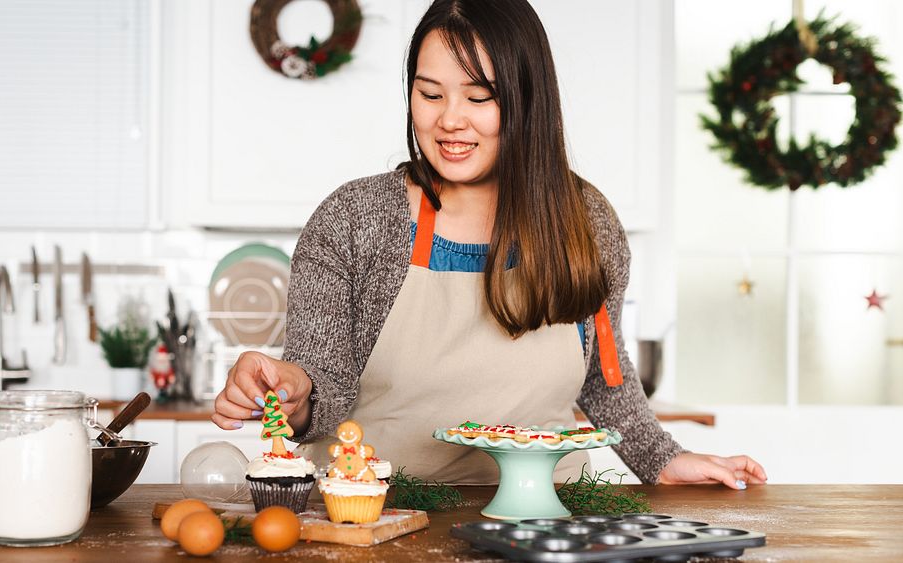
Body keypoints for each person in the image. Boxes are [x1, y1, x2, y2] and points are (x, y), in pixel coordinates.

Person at [214, 0, 767, 489]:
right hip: (379, 519)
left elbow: (605, 377)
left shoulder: (586, 221)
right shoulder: (354, 221)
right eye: (430, 93)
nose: (449, 120)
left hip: (548, 522)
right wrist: (291, 389)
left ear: (529, 100)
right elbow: (323, 388)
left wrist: (665, 459)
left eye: (480, 96)